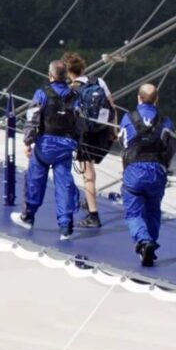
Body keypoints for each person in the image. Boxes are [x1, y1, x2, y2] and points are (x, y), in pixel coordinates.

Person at [17, 59, 82, 239]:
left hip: (45, 145)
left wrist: (27, 142)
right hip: (65, 147)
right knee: (64, 185)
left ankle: (28, 217)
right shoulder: (75, 96)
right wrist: (76, 143)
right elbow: (80, 123)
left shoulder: (42, 93)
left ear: (50, 75)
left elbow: (32, 118)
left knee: (35, 179)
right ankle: (65, 227)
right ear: (66, 76)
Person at [118, 82, 176, 268]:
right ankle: (151, 243)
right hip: (156, 170)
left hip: (134, 170)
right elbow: (171, 147)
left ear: (138, 98)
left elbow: (124, 142)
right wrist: (164, 166)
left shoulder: (128, 118)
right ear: (156, 99)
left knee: (133, 212)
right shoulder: (165, 121)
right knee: (153, 211)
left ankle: (144, 241)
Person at [66, 51, 116, 230]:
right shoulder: (98, 81)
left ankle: (93, 215)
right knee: (90, 169)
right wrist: (113, 130)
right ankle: (89, 201)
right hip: (101, 131)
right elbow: (112, 105)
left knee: (87, 173)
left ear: (68, 72)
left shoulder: (72, 90)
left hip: (85, 134)